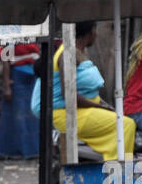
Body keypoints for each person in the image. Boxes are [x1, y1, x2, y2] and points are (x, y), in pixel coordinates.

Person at [31, 21, 135, 162]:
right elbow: (69, 96)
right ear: (91, 32)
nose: (96, 35)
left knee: (122, 120)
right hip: (65, 114)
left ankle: (118, 163)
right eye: (95, 30)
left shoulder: (79, 52)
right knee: (125, 125)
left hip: (79, 110)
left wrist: (106, 106)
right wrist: (99, 106)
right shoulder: (68, 54)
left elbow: (88, 91)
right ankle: (118, 170)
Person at [0, 42, 41, 158]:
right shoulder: (9, 38)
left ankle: (33, 150)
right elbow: (5, 61)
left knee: (32, 116)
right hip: (17, 79)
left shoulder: (33, 35)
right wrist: (7, 86)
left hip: (32, 79)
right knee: (16, 116)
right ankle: (13, 151)